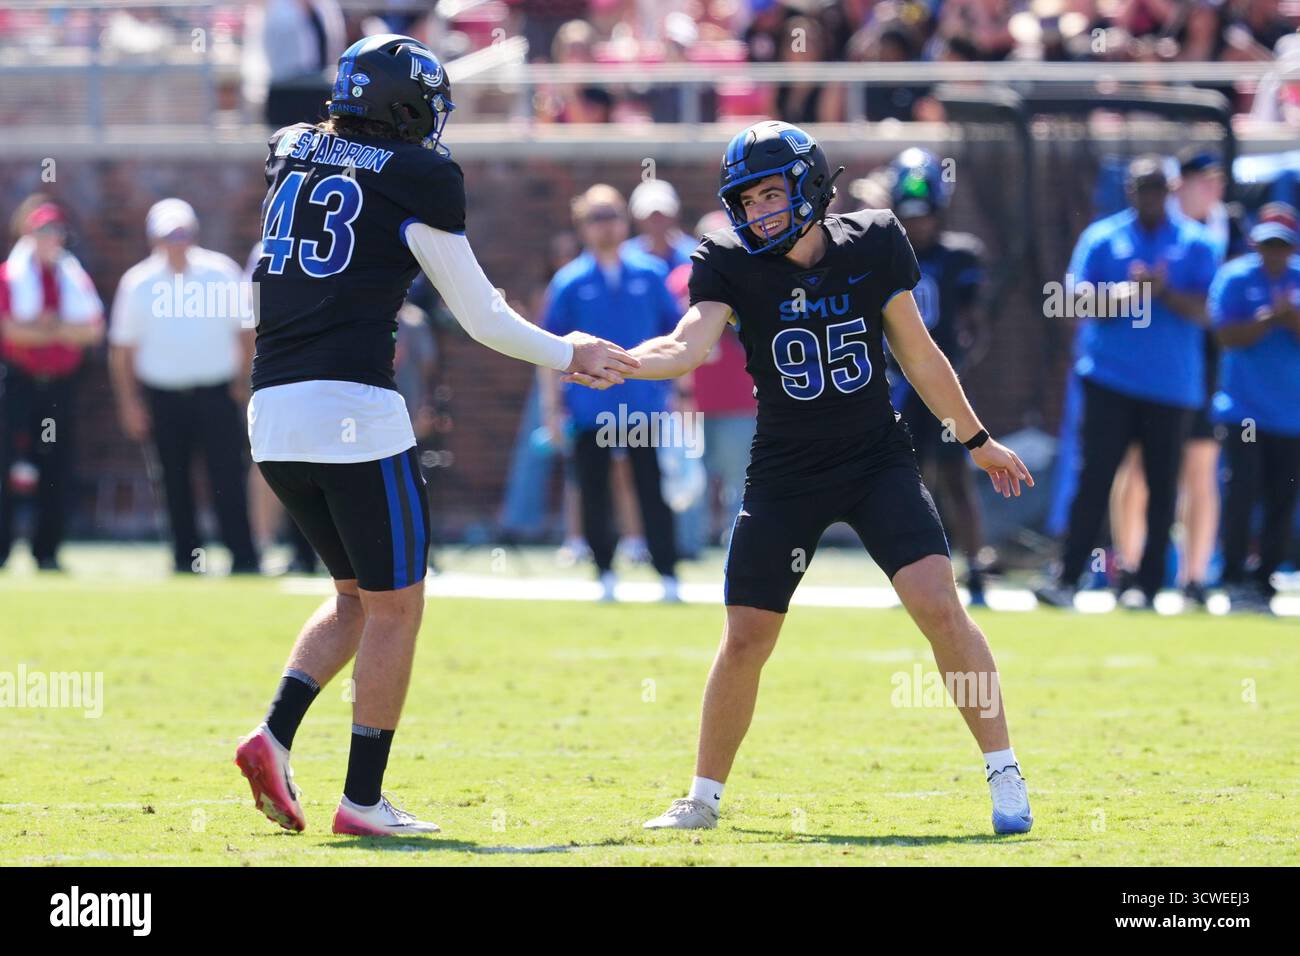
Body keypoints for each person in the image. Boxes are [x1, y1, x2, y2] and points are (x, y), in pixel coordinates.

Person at [231, 34, 635, 837]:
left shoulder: (292, 149)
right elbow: (483, 317)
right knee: (398, 607)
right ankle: (364, 800)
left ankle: (272, 736)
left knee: (354, 598)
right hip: (353, 410)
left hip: (273, 414)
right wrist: (570, 353)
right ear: (405, 109)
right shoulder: (420, 175)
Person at [602, 121, 1036, 835]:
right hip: (785, 471)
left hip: (874, 459)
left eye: (771, 193)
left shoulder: (873, 242)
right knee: (745, 635)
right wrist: (623, 361)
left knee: (937, 603)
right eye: (746, 199)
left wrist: (976, 436)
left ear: (808, 187)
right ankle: (703, 796)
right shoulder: (729, 259)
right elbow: (687, 344)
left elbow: (920, 356)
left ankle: (1004, 770)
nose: (757, 212)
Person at [1035, 156, 1218, 610]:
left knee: (1162, 489)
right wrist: (1129, 293)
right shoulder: (1103, 237)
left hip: (1171, 386)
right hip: (1109, 381)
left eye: (1159, 187)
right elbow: (1069, 301)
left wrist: (1166, 292)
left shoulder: (1196, 242)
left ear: (1171, 190)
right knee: (1093, 479)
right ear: (1131, 191)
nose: (1151, 196)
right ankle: (1069, 575)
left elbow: (1210, 311)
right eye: (1143, 187)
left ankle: (1148, 583)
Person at [541, 184, 683, 602]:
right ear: (582, 225)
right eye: (595, 218)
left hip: (642, 406)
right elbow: (548, 348)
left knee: (652, 488)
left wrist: (681, 393)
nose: (605, 226)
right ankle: (604, 572)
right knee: (593, 489)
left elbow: (676, 337)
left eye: (612, 216)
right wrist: (552, 409)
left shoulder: (651, 273)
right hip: (590, 406)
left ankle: (668, 574)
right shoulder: (568, 282)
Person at [108, 199, 261, 576]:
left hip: (216, 393)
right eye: (168, 236)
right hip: (163, 396)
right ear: (153, 240)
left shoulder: (222, 272)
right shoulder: (137, 282)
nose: (177, 243)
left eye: (182, 235)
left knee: (227, 475)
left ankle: (243, 557)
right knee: (173, 480)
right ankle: (185, 557)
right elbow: (122, 349)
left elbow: (247, 331)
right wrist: (129, 402)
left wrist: (244, 382)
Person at [885, 148, 994, 605]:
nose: (919, 225)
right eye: (910, 216)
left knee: (955, 476)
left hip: (941, 382)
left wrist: (959, 370)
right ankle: (910, 573)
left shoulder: (959, 256)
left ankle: (976, 568)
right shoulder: (885, 254)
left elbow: (976, 324)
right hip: (900, 386)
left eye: (925, 215)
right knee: (907, 481)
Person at [0, 198, 104, 571]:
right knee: (6, 465)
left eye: (55, 232)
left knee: (56, 466)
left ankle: (47, 550)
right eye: (42, 232)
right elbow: (11, 332)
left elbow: (92, 331)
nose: (50, 239)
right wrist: (60, 331)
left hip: (59, 387)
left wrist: (48, 327)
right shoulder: (9, 276)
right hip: (19, 383)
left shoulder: (73, 277)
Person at [1208, 203, 1300, 612]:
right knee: (1241, 494)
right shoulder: (1235, 277)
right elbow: (1225, 336)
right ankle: (1232, 578)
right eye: (1268, 245)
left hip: (1292, 415)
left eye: (1281, 246)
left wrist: (1291, 319)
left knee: (1282, 499)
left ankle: (1265, 581)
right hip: (1243, 412)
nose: (1274, 253)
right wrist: (1269, 318)